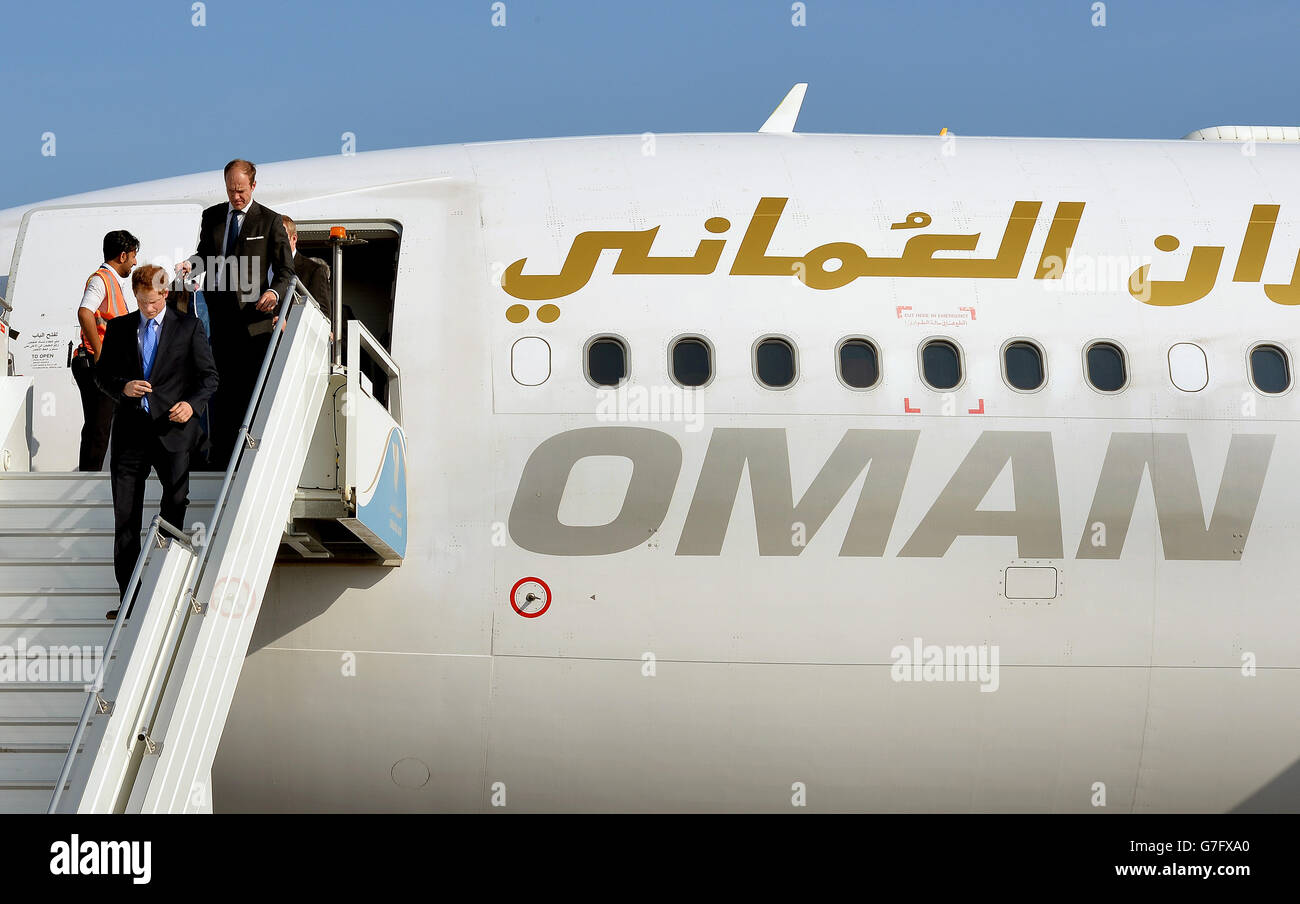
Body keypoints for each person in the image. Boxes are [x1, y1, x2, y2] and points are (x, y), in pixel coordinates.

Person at [96, 265, 218, 618]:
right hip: (131, 434)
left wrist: (191, 406)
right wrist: (123, 387)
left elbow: (209, 378)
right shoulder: (119, 328)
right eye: (141, 301)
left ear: (165, 294)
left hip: (173, 433)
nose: (147, 307)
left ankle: (164, 587)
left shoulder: (189, 327)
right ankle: (128, 601)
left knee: (176, 502)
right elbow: (101, 376)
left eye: (152, 301)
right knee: (125, 519)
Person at [177, 159, 293, 471]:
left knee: (250, 392)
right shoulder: (212, 216)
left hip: (255, 323)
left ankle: (249, 461)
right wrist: (191, 264)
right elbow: (204, 255)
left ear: (253, 186)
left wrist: (273, 293)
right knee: (222, 390)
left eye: (241, 191)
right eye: (231, 190)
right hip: (221, 320)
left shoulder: (269, 222)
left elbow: (285, 271)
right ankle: (222, 459)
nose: (236, 197)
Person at [72, 231, 137, 470]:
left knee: (104, 426)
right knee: (98, 428)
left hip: (104, 364)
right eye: (133, 256)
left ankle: (97, 476)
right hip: (94, 363)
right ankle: (88, 477)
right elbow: (84, 312)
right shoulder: (101, 280)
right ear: (122, 256)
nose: (135, 262)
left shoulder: (112, 284)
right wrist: (100, 356)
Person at [281, 215, 331, 304]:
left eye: (281, 238)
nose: (275, 242)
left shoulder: (314, 271)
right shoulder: (257, 269)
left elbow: (323, 313)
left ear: (294, 238)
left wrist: (288, 318)